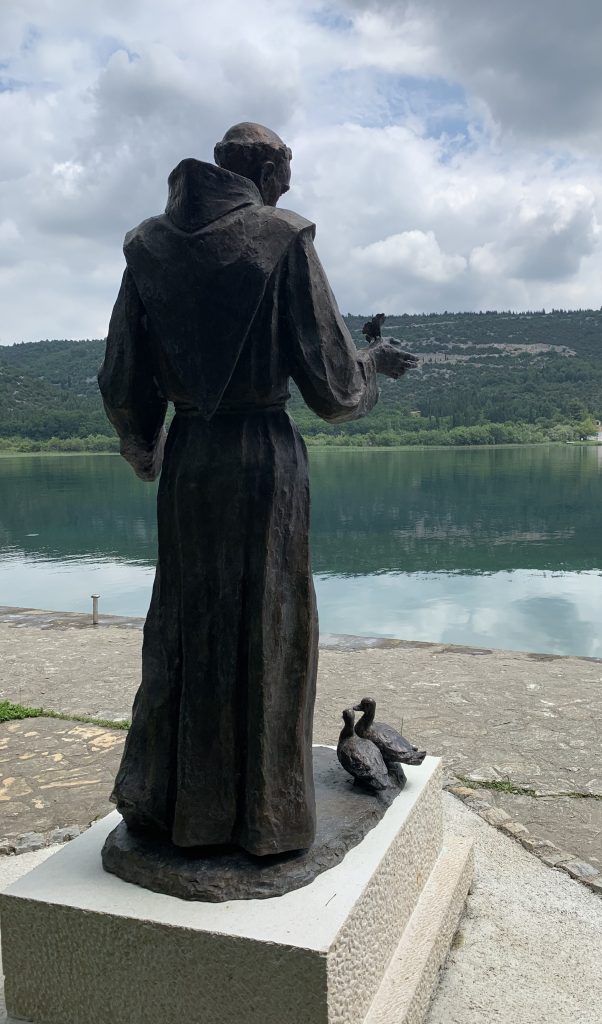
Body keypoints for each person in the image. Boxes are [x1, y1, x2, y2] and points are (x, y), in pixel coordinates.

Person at [99, 122, 417, 857]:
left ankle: (170, 806)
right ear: (268, 169)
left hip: (190, 463)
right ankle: (264, 822)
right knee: (269, 632)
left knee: (183, 627)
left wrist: (147, 451)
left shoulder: (144, 248)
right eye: (289, 168)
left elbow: (121, 379)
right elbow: (335, 389)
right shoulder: (285, 239)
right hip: (263, 461)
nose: (292, 184)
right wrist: (373, 362)